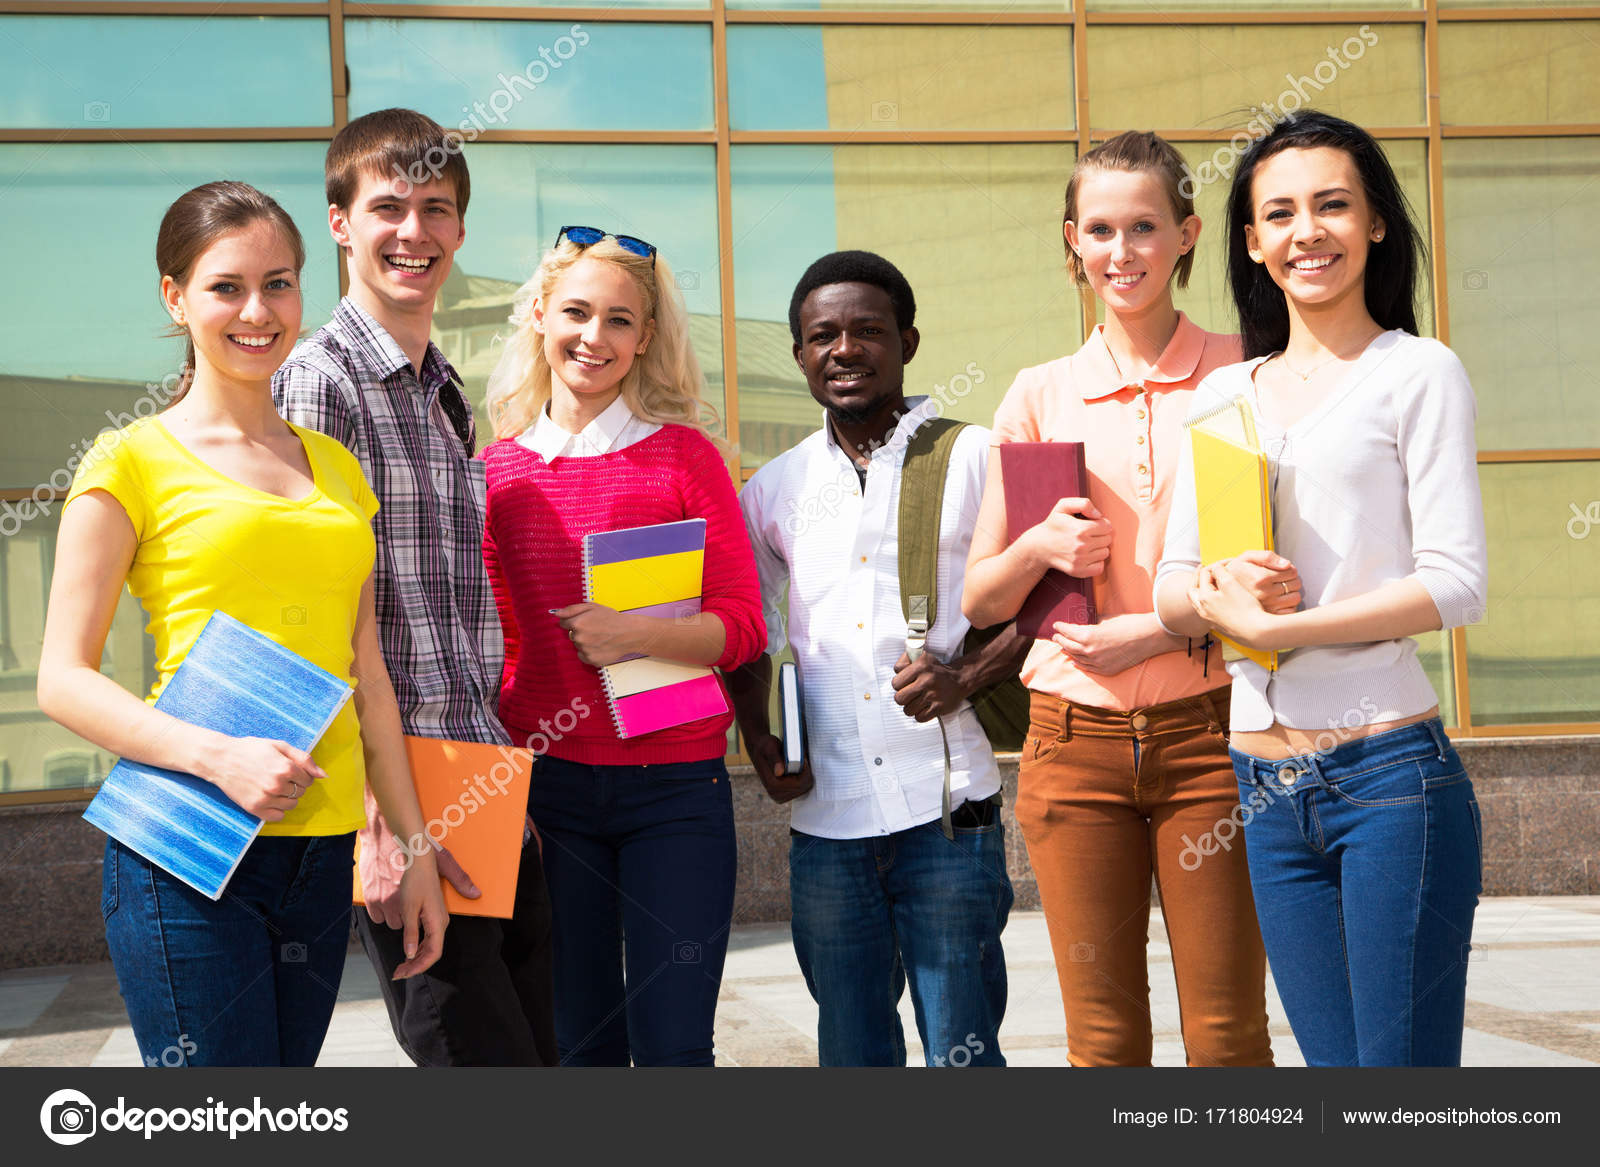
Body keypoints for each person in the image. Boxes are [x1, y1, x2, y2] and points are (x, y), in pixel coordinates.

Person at [37, 181, 448, 1067]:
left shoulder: (338, 468)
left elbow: (367, 675)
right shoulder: (132, 458)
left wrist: (412, 847)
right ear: (174, 296)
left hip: (318, 847)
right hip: (187, 843)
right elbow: (60, 679)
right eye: (226, 286)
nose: (257, 311)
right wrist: (217, 757)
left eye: (280, 283)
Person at [1154, 110, 1488, 1067]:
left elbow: (1457, 583)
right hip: (1264, 784)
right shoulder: (1224, 395)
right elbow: (1175, 588)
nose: (1309, 232)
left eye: (1333, 205)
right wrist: (1222, 592)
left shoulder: (1418, 373)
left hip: (1390, 780)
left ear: (1375, 222)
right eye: (1281, 213)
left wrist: (1281, 625)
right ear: (1252, 242)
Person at [963, 131, 1277, 1067]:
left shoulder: (1246, 370)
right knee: (1102, 1040)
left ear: (1186, 235)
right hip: (1070, 742)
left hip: (1212, 732)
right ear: (1073, 241)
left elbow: (1270, 566)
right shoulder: (1036, 393)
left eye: (1145, 227)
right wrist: (1037, 546)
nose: (1122, 251)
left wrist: (1148, 633)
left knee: (1226, 1035)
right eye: (1100, 229)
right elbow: (981, 596)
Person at [273, 108, 557, 1066]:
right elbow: (311, 624)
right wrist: (381, 831)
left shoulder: (444, 390)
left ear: (462, 231)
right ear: (341, 222)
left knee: (534, 1060)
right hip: (402, 789)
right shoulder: (320, 385)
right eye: (387, 205)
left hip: (480, 772)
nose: (415, 231)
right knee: (480, 1068)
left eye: (436, 209)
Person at [728, 250, 1026, 1068]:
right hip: (827, 820)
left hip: (950, 806)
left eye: (868, 330)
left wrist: (966, 676)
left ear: (909, 341)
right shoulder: (774, 488)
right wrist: (759, 736)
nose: (845, 349)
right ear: (798, 355)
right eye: (823, 335)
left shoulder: (976, 456)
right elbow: (745, 631)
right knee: (852, 1049)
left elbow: (1052, 603)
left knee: (963, 1049)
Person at [480, 226, 766, 1067]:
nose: (593, 337)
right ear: (539, 315)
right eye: (575, 311)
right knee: (580, 1045)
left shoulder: (685, 458)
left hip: (674, 790)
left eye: (618, 320)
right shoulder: (494, 471)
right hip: (548, 794)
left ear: (645, 339)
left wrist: (637, 635)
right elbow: (491, 650)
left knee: (675, 1047)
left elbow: (745, 625)